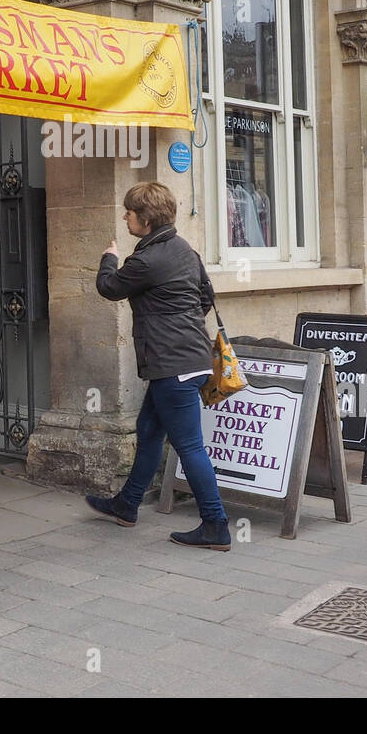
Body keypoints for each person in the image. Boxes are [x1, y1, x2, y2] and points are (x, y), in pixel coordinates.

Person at [84, 181, 231, 551]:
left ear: (146, 219)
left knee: (190, 446)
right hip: (191, 359)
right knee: (148, 430)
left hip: (173, 367)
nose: (125, 217)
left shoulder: (145, 260)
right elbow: (205, 297)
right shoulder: (185, 250)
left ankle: (216, 524)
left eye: (129, 213)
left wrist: (109, 257)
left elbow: (109, 287)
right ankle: (127, 504)